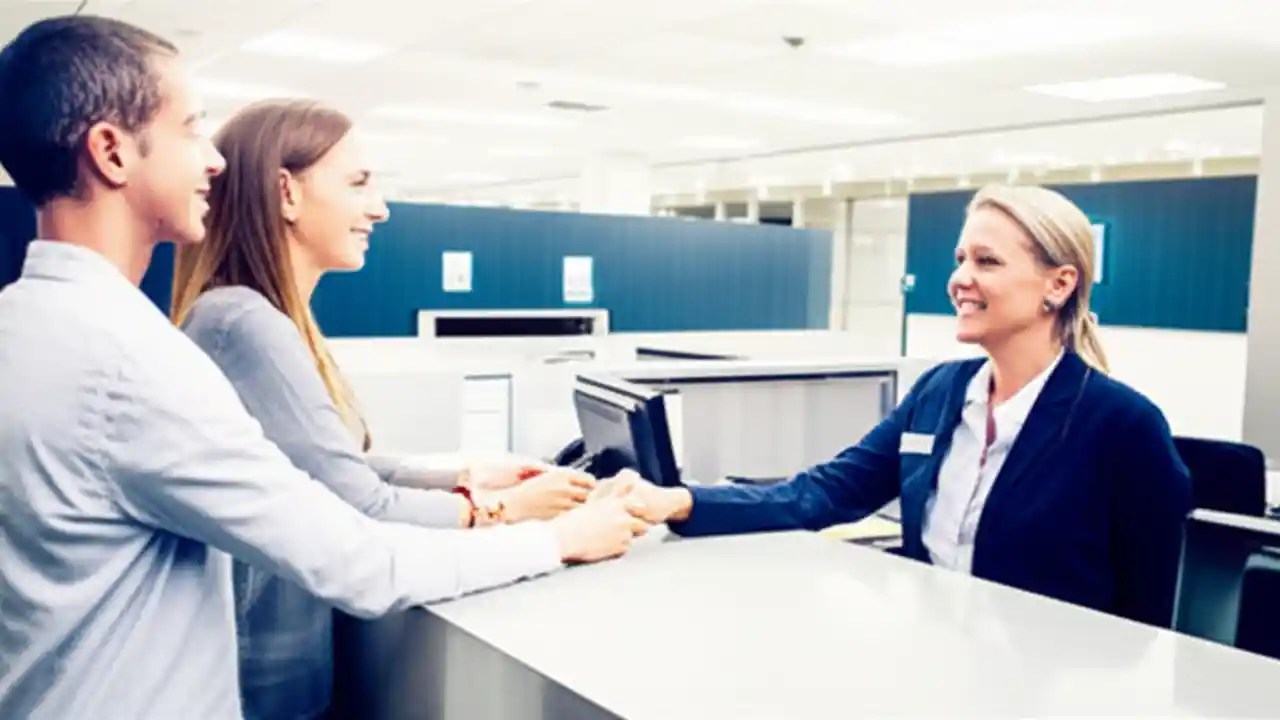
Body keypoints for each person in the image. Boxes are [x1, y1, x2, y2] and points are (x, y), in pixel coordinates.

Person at [0, 16, 647, 719]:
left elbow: (307, 473)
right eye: (190, 129)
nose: (213, 160)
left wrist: (464, 480)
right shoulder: (133, 363)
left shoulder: (25, 324)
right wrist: (556, 539)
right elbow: (358, 563)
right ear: (111, 152)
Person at [168, 99, 598, 719]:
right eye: (359, 183)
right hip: (263, 687)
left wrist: (462, 476)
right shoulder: (244, 323)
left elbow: (318, 469)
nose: (380, 208)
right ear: (286, 192)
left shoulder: (254, 316)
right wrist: (508, 513)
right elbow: (356, 507)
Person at [599, 184, 1193, 627]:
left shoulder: (1122, 427)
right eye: (960, 259)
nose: (960, 278)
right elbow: (826, 493)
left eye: (986, 261)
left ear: (1058, 285)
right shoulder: (940, 393)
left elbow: (1150, 622)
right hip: (931, 666)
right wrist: (679, 501)